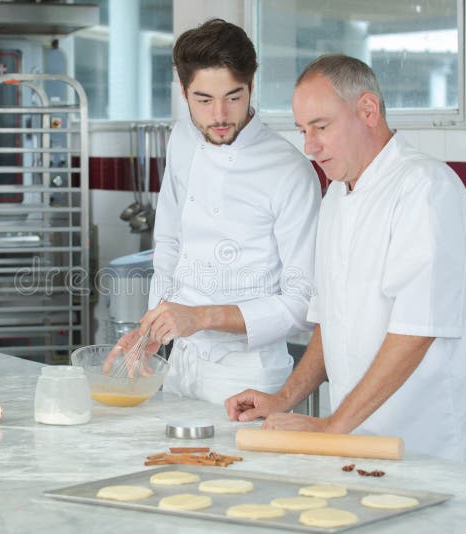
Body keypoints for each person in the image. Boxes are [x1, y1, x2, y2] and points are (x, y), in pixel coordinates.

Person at [225, 54, 466, 469]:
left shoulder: (424, 188)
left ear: (367, 110)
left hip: (447, 454)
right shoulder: (335, 197)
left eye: (321, 127)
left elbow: (416, 332)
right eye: (303, 130)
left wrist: (332, 427)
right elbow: (333, 322)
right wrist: (284, 398)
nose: (309, 147)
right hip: (366, 449)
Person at [108, 19, 320, 404]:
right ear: (183, 91)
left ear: (252, 86)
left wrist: (201, 317)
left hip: (248, 375)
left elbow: (303, 304)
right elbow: (170, 244)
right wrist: (151, 330)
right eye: (203, 100)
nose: (220, 115)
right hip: (181, 365)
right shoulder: (183, 139)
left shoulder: (290, 170)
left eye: (234, 97)